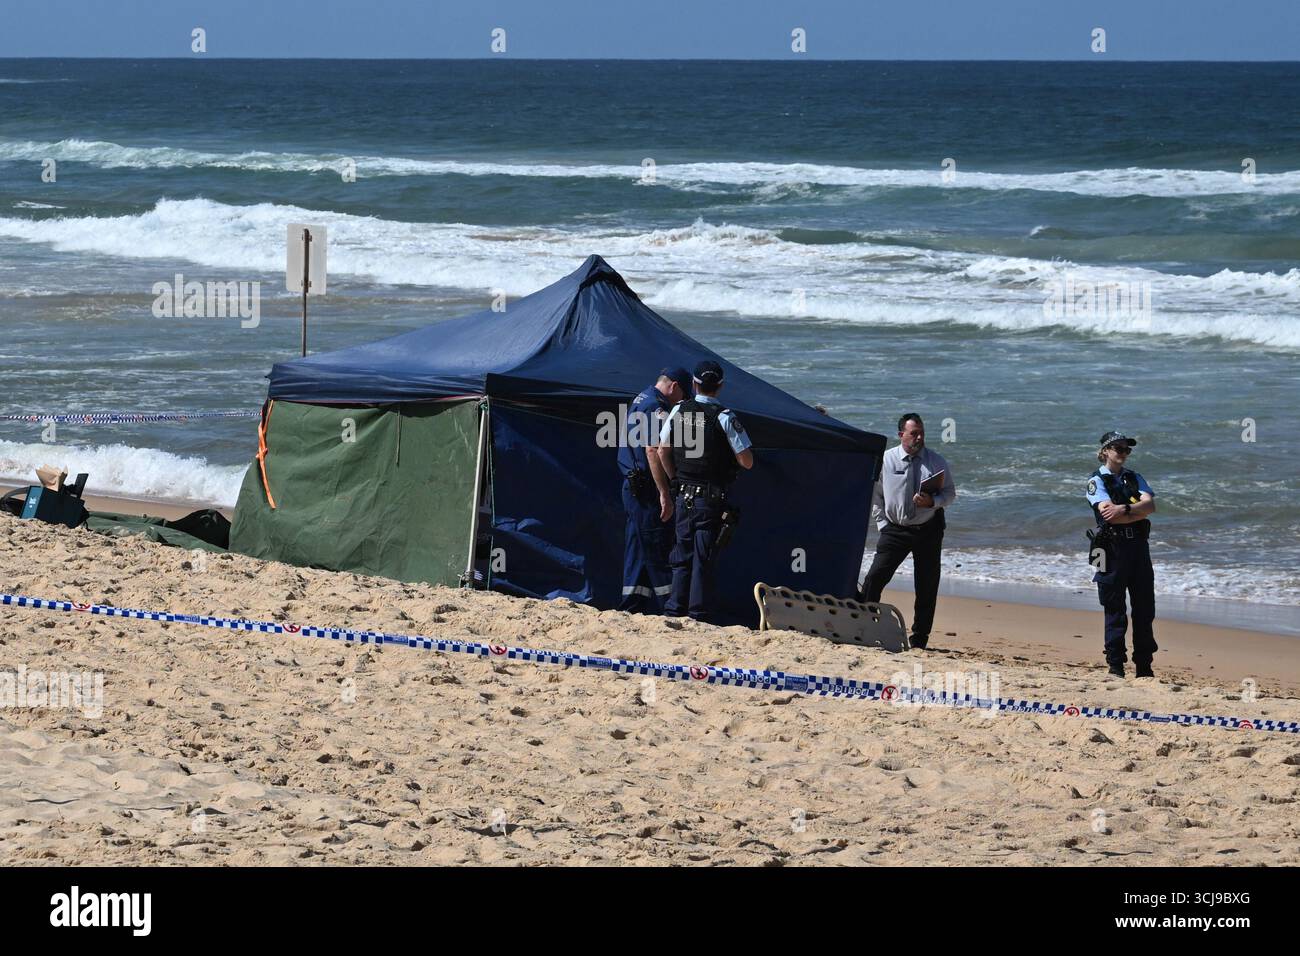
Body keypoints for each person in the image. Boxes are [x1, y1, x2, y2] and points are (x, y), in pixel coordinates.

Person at [654, 360, 754, 622]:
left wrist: (675, 477)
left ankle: (675, 609)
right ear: (719, 387)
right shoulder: (724, 417)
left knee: (681, 553)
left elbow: (661, 449)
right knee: (703, 557)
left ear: (694, 384)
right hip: (710, 497)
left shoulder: (678, 411)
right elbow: (747, 461)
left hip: (683, 492)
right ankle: (697, 613)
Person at [857, 413, 956, 650]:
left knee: (927, 585)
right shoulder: (886, 459)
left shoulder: (936, 461)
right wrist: (883, 524)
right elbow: (876, 497)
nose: (919, 437)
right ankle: (864, 625)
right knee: (874, 578)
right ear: (901, 434)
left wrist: (931, 502)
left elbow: (950, 493)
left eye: (921, 432)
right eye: (914, 433)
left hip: (928, 528)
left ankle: (919, 640)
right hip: (895, 530)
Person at [617, 367, 692, 613]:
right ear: (674, 386)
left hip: (632, 486)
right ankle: (671, 608)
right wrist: (665, 492)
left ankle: (631, 606)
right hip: (646, 489)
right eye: (681, 396)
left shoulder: (640, 398)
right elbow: (653, 449)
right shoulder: (656, 408)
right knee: (658, 547)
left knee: (638, 549)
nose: (680, 402)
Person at [1084, 431, 1157, 678]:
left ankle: (1144, 666)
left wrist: (1125, 509)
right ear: (1105, 451)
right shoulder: (1097, 481)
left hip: (1138, 548)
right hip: (1111, 550)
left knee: (1144, 608)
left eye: (1127, 449)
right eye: (1119, 448)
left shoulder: (1135, 478)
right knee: (1114, 608)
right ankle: (1116, 665)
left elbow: (1150, 507)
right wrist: (1135, 511)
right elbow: (1108, 514)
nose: (1124, 453)